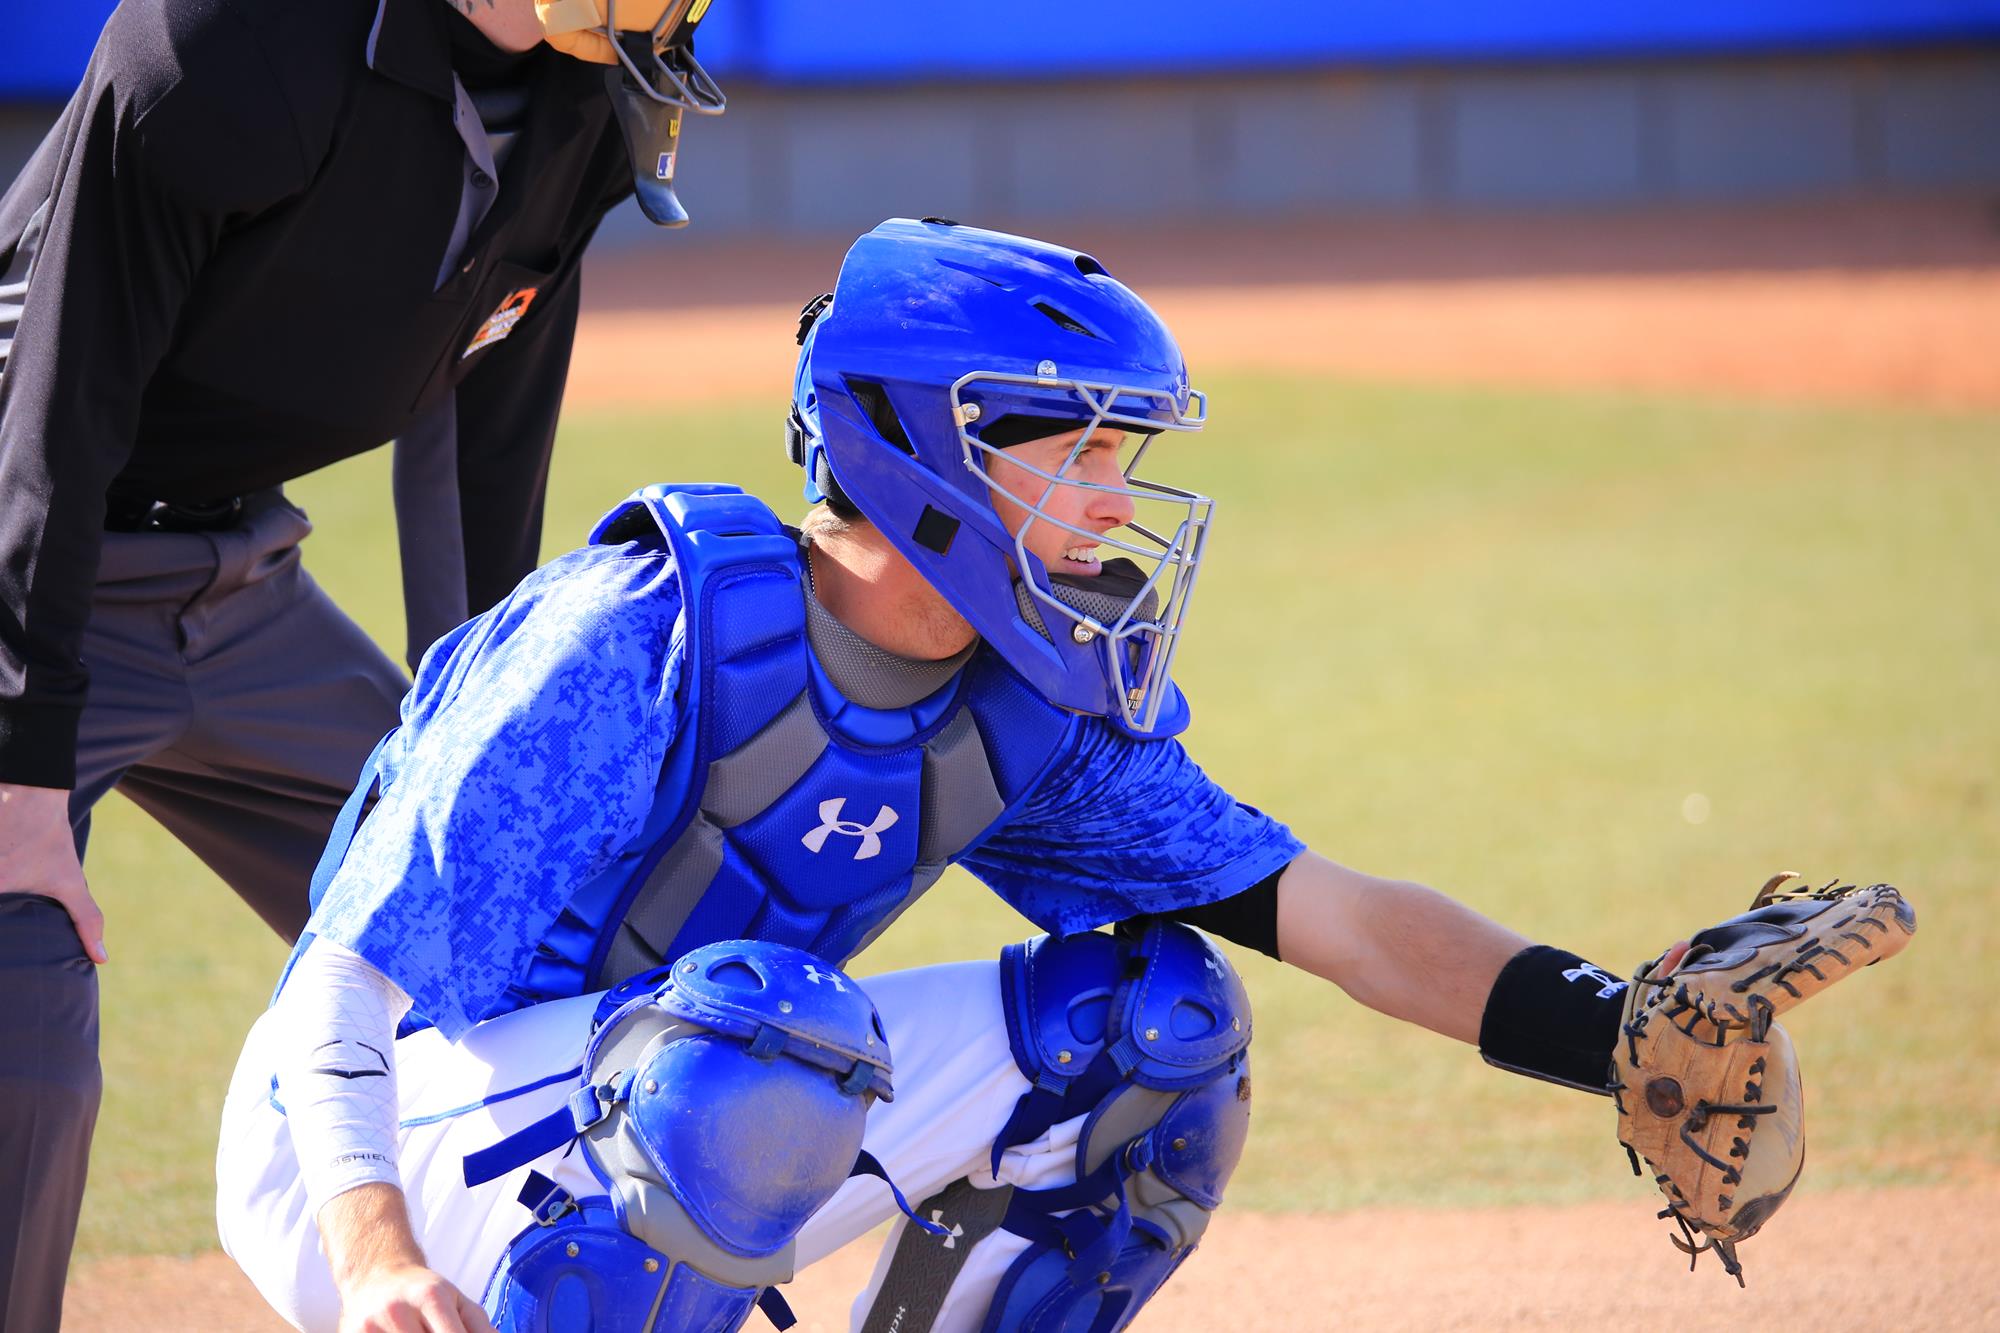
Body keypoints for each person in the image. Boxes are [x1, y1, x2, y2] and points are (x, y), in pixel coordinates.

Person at [210, 217, 1765, 1333]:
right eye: (1076, 451)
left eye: (1124, 456)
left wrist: (1625, 1033)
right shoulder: (635, 635)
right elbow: (345, 984)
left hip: (685, 1092)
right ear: (920, 455)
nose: (1116, 502)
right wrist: (376, 1255)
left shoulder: (1029, 705)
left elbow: (1336, 913)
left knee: (1155, 1031)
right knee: (765, 1043)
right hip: (365, 1149)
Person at [0, 0, 727, 1324]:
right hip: (19, 567)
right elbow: (54, 419)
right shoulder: (229, 41)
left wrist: (478, 748)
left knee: (531, 940)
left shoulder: (578, 92)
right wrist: (19, 773)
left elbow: (477, 426)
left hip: (236, 582)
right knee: (23, 1034)